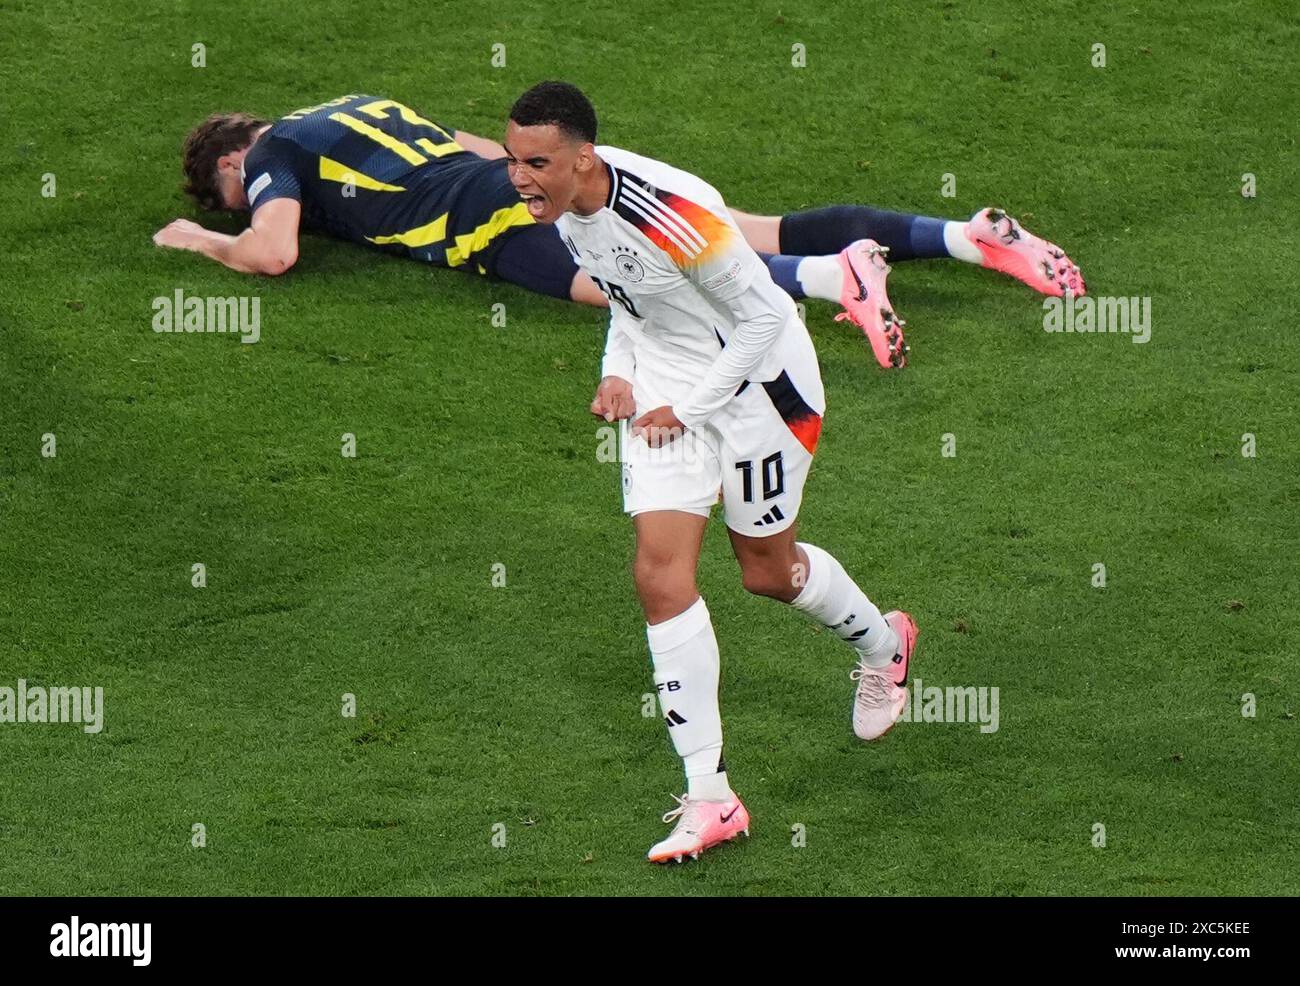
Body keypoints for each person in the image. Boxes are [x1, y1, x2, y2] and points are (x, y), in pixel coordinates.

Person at [503, 79, 923, 863]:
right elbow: (632, 306)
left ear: (583, 157)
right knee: (660, 577)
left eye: (535, 162)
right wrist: (620, 372)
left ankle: (882, 645)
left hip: (764, 394)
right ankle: (711, 797)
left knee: (768, 572)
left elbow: (764, 317)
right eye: (511, 160)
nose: (519, 178)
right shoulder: (562, 206)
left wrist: (688, 409)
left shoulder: (674, 210)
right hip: (672, 391)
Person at [155, 94, 1085, 369]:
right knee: (741, 227)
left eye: (230, 197)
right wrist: (528, 175)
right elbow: (471, 140)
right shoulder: (350, 105)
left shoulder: (275, 156)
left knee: (633, 291)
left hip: (487, 222)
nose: (247, 206)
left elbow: (274, 252)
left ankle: (834, 279)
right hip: (520, 174)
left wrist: (201, 243)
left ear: (234, 164)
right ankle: (969, 238)